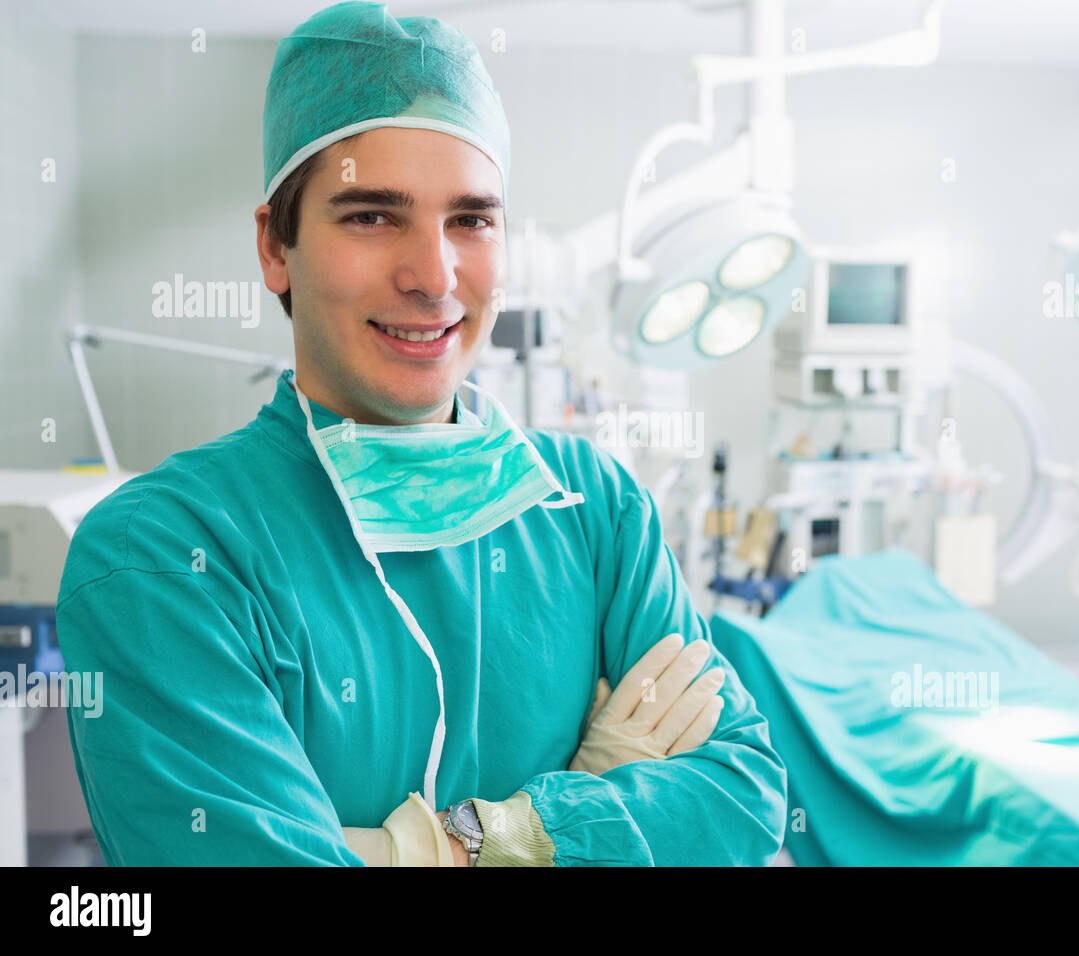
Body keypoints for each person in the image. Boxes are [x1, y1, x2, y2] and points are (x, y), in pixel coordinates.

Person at [55, 0, 787, 866]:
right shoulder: (163, 557)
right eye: (372, 215)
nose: (433, 276)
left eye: (471, 219)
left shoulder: (594, 513)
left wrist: (453, 844)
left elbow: (743, 792)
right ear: (275, 247)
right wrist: (569, 826)